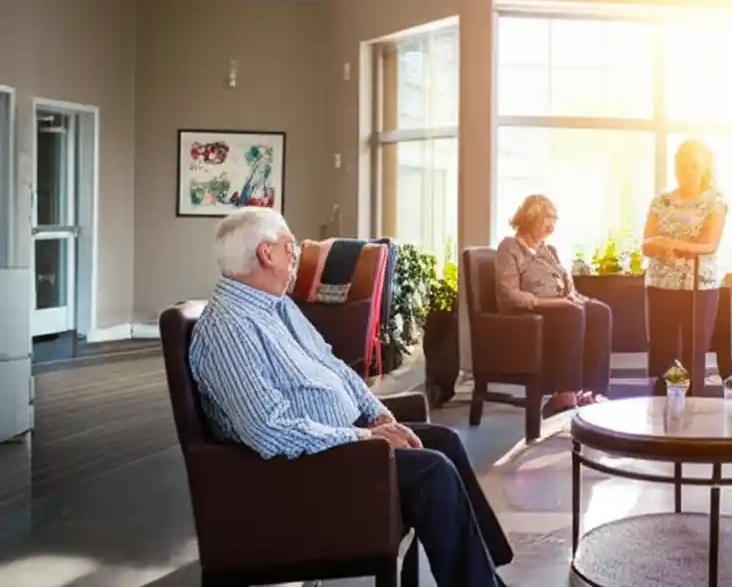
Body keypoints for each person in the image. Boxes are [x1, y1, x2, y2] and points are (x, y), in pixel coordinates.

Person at [189, 207, 512, 587]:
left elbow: (334, 366)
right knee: (433, 471)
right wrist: (363, 437)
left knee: (445, 441)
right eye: (289, 247)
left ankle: (488, 575)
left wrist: (378, 416)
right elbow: (268, 431)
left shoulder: (277, 307)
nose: (294, 256)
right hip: (303, 472)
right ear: (266, 254)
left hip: (341, 443)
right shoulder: (228, 329)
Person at [494, 194, 613, 417]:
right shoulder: (509, 247)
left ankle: (593, 392)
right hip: (525, 315)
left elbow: (568, 288)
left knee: (600, 312)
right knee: (571, 314)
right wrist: (549, 302)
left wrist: (580, 300)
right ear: (530, 218)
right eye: (547, 219)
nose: (552, 226)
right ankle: (565, 394)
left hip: (558, 309)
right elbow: (509, 294)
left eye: (555, 220)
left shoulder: (549, 251)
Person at [642, 138, 727, 396]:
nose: (685, 171)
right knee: (662, 353)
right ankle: (658, 412)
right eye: (680, 165)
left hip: (698, 286)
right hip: (659, 284)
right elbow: (647, 245)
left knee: (692, 354)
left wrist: (669, 243)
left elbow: (709, 245)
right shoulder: (661, 201)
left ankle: (693, 410)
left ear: (704, 168)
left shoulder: (715, 201)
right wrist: (662, 246)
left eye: (692, 166)